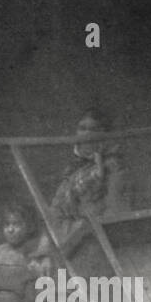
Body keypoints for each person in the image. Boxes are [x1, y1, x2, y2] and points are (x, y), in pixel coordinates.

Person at [36, 110, 132, 260]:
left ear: (105, 135)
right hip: (69, 240)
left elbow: (115, 211)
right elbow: (56, 208)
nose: (86, 134)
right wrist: (47, 250)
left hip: (96, 243)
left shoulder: (114, 167)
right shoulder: (74, 168)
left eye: (93, 129)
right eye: (82, 128)